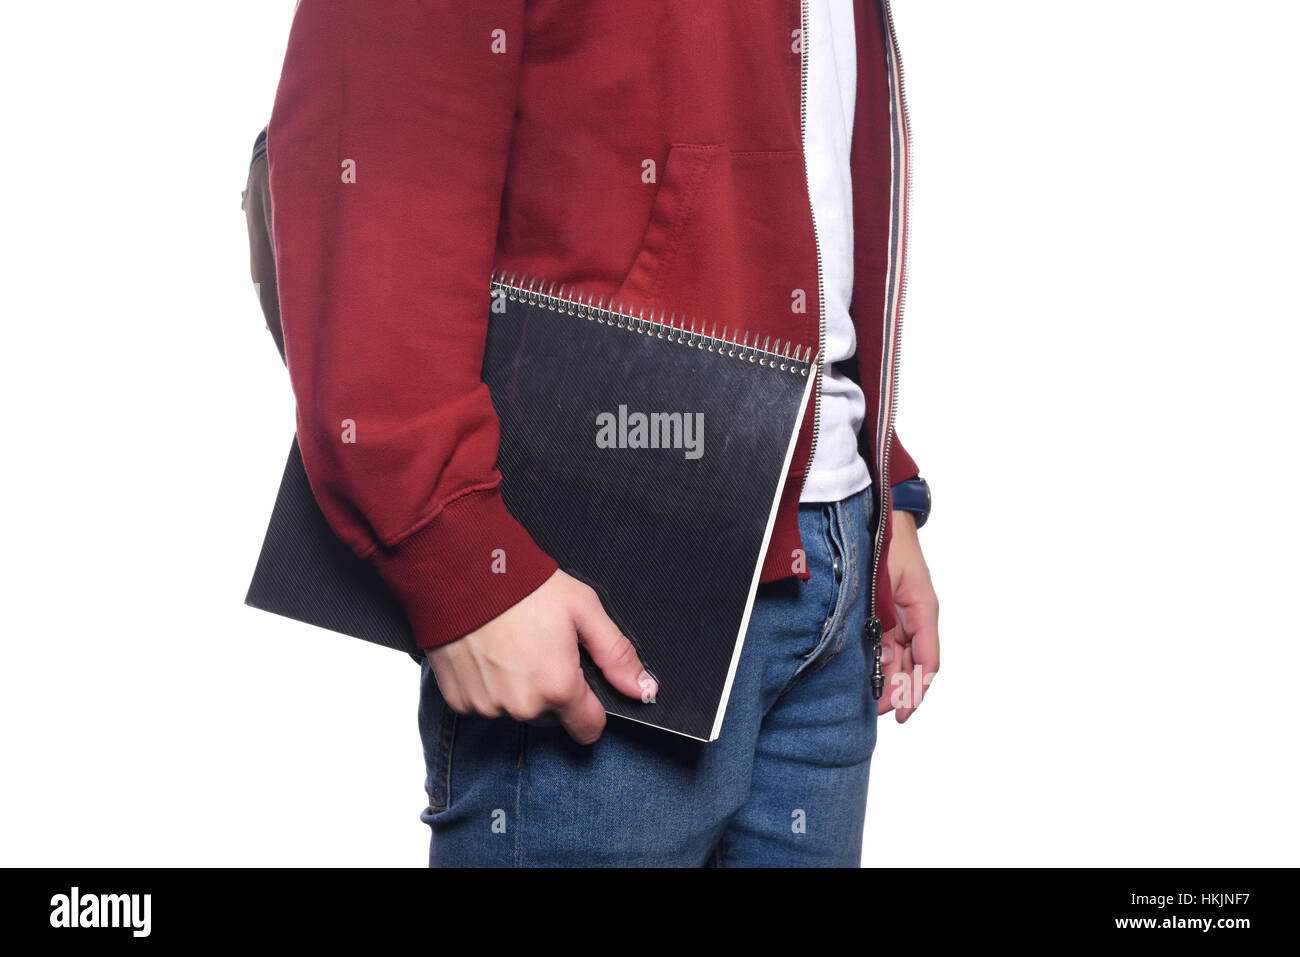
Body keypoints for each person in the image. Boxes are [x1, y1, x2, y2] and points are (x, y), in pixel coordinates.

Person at [248, 0, 939, 867]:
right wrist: (451, 547)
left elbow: (801, 181)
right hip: (602, 582)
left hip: (831, 559)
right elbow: (381, 132)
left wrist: (880, 484)